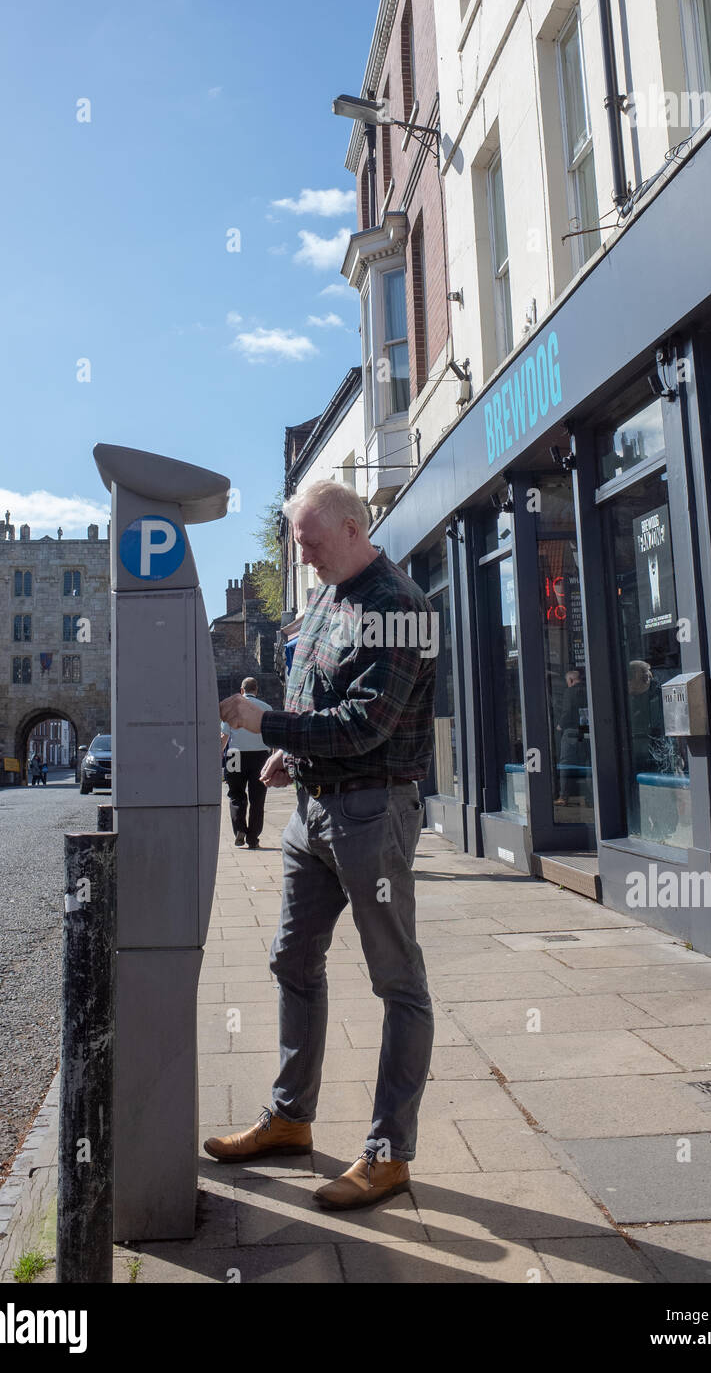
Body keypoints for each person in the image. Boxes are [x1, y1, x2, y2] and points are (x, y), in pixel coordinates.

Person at [204, 478, 436, 1211]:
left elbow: (365, 724)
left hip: (372, 811)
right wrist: (290, 752)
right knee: (292, 960)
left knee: (397, 982)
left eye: (309, 541)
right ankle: (290, 1119)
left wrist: (264, 725)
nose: (301, 556)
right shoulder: (331, 595)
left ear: (351, 527)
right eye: (298, 543)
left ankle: (388, 1156)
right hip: (311, 810)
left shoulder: (398, 608)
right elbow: (319, 698)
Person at [221, 677, 272, 849]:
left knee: (235, 793)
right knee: (257, 798)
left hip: (235, 755)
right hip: (260, 756)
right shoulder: (266, 708)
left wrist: (217, 756)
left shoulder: (232, 708)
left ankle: (239, 829)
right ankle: (253, 838)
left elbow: (224, 736)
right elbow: (272, 736)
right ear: (256, 690)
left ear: (242, 690)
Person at [554, 667, 589, 805]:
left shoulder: (570, 691)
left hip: (571, 730)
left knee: (566, 763)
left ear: (570, 680)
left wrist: (560, 725)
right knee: (585, 763)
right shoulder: (588, 690)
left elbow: (567, 711)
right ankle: (589, 797)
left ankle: (563, 796)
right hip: (584, 729)